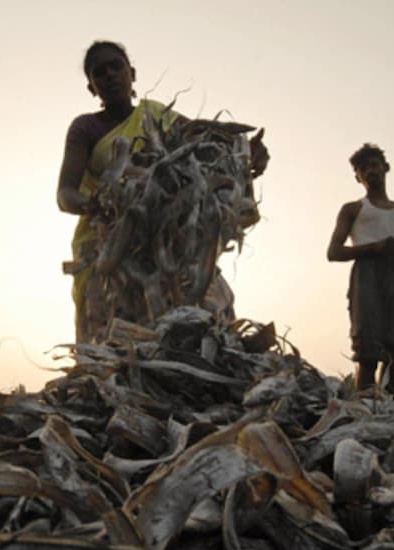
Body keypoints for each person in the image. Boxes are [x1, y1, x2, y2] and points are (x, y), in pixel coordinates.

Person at [56, 40, 269, 343]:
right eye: (99, 72)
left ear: (132, 72)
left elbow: (209, 146)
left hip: (165, 238)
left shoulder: (156, 114)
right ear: (92, 88)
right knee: (113, 343)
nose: (109, 75)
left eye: (116, 66)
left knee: (207, 321)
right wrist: (98, 205)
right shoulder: (85, 128)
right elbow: (65, 194)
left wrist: (246, 153)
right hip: (108, 245)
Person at [327, 143, 394, 395]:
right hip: (367, 276)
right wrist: (374, 248)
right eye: (363, 168)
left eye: (374, 165)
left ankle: (389, 405)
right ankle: (364, 406)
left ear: (385, 168)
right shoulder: (353, 209)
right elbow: (334, 252)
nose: (370, 171)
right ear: (357, 176)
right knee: (367, 351)